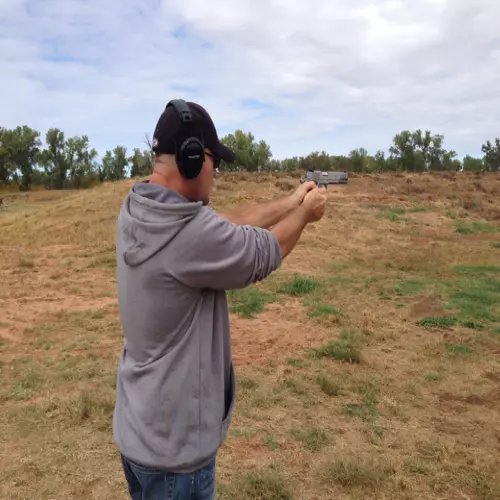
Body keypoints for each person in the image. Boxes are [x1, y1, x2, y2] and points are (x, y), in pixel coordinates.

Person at [113, 99, 327, 500]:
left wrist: (290, 200)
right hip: (176, 455)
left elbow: (224, 225)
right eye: (214, 160)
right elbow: (260, 252)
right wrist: (306, 215)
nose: (216, 171)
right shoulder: (189, 236)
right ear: (192, 157)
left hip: (140, 431)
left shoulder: (137, 209)